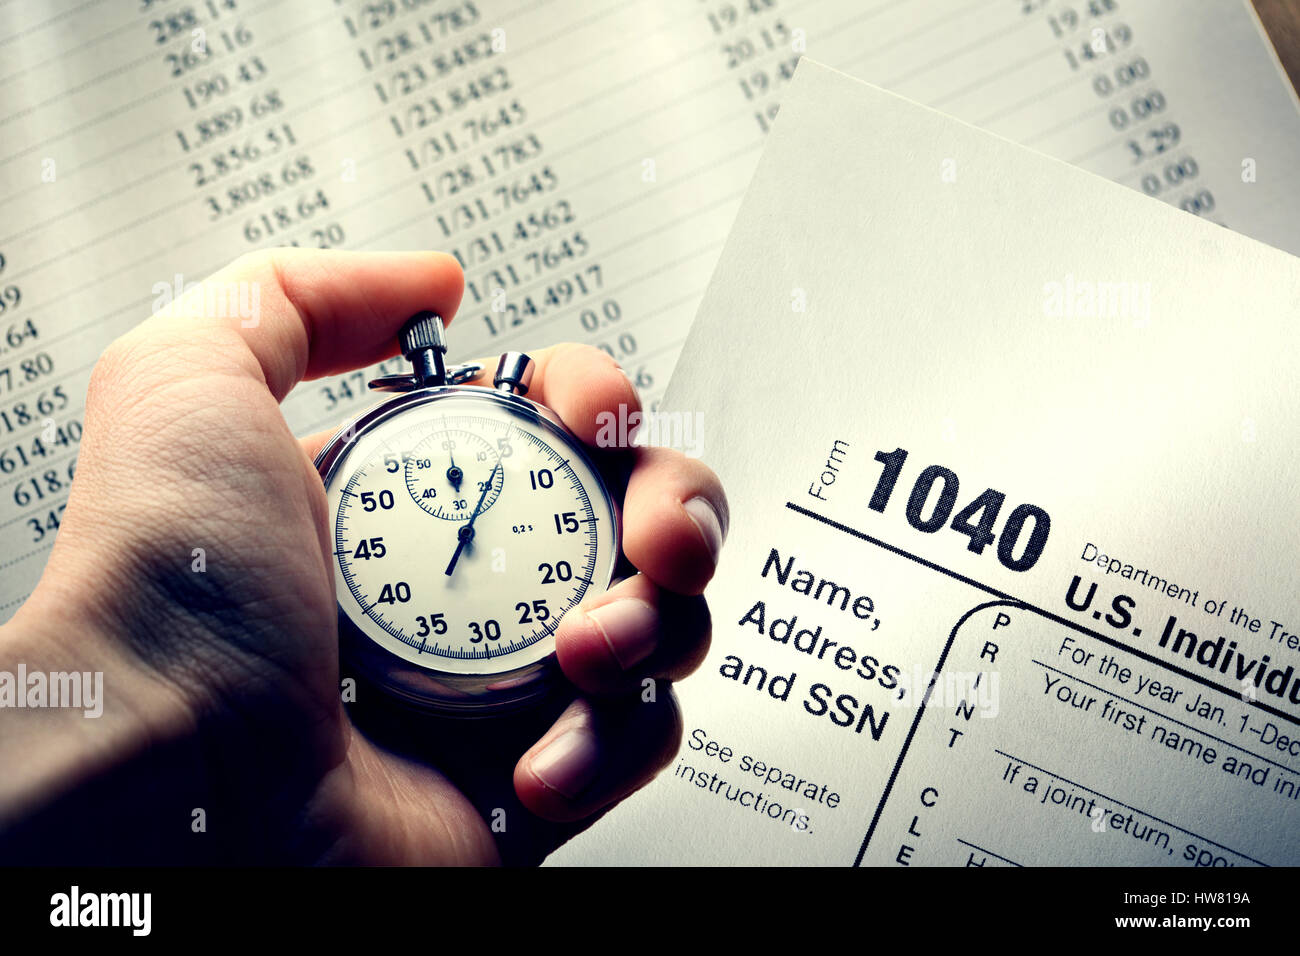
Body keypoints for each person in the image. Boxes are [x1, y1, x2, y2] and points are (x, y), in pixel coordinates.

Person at [0, 250, 726, 865]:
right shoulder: (325, 505)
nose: (464, 533)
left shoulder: (535, 445)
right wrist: (144, 667)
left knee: (637, 573)